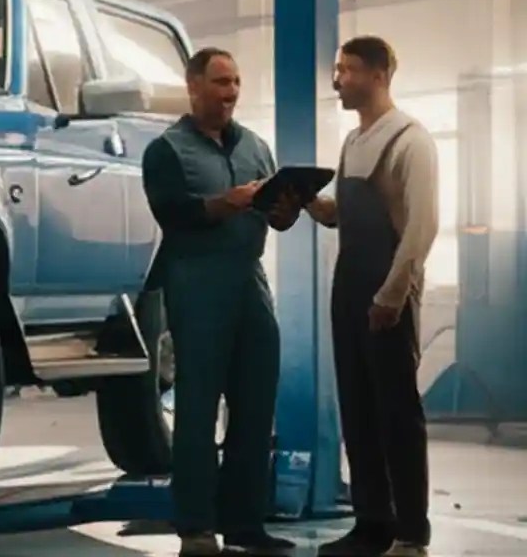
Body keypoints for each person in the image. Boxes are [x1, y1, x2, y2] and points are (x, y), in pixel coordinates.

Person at [141, 47, 301, 556]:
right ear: (193, 87)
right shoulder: (165, 150)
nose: (231, 92)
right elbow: (172, 213)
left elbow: (278, 221)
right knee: (197, 409)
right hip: (196, 282)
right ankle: (196, 528)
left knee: (255, 409)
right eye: (220, 83)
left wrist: (287, 208)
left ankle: (245, 526)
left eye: (235, 82)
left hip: (249, 283)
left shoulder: (256, 146)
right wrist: (224, 203)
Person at [305, 36, 438, 557]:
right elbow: (341, 211)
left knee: (397, 414)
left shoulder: (411, 140)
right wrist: (306, 203)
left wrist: (392, 294)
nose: (339, 79)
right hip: (348, 289)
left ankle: (411, 532)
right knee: (357, 410)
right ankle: (371, 525)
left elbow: (422, 227)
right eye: (338, 69)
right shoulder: (353, 142)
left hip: (388, 293)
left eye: (349, 70)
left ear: (380, 75)